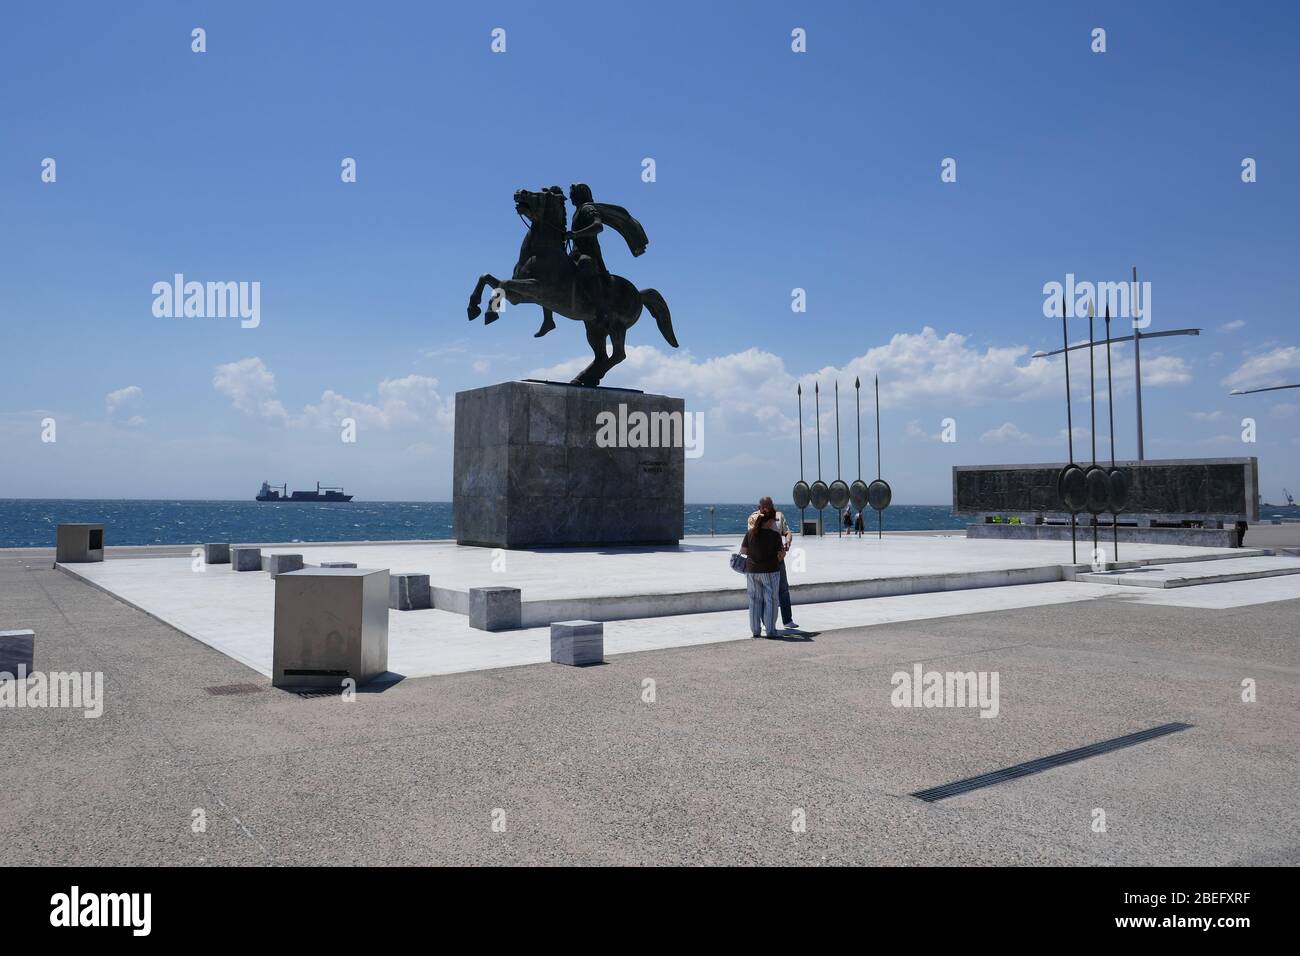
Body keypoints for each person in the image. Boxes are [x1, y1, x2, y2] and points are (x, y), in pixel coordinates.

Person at [740, 499, 785, 638]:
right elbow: (780, 555)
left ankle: (755, 631)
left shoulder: (750, 534)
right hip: (770, 571)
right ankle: (770, 630)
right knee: (770, 600)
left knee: (754, 600)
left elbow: (744, 551)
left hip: (752, 571)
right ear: (770, 521)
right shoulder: (774, 535)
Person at [751, 495, 798, 629]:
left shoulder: (779, 516)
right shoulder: (754, 517)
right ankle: (766, 622)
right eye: (765, 506)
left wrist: (787, 541)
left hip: (778, 559)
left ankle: (787, 620)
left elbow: (787, 532)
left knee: (783, 589)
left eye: (770, 505)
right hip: (763, 560)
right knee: (765, 592)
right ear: (760, 507)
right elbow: (752, 535)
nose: (768, 509)